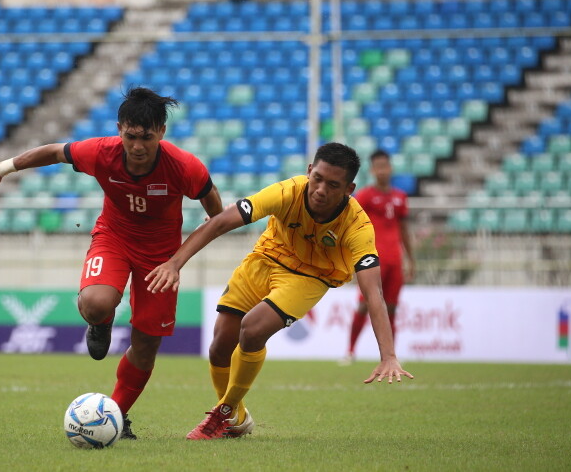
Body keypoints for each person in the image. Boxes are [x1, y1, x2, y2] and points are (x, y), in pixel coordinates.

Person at [0, 87, 224, 439]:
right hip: (115, 238)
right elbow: (52, 152)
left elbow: (218, 217)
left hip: (162, 258)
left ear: (162, 133)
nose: (137, 146)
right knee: (95, 304)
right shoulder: (101, 152)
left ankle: (116, 416)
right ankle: (101, 322)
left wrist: (177, 261)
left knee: (147, 343)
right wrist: (2, 168)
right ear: (119, 128)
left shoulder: (185, 167)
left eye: (147, 138)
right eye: (131, 136)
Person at [146, 142, 413, 440]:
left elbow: (374, 293)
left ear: (349, 188)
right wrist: (175, 263)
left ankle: (223, 413)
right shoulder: (287, 192)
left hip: (310, 277)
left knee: (252, 329)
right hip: (266, 258)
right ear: (310, 171)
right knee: (220, 345)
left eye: (333, 184)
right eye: (318, 179)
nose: (321, 189)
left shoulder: (358, 226)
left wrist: (388, 355)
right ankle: (237, 416)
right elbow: (222, 221)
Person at [341, 149, 415, 366]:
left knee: (391, 307)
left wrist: (411, 259)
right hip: (372, 261)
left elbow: (403, 230)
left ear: (390, 168)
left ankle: (390, 354)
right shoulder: (364, 196)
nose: (382, 171)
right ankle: (350, 350)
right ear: (373, 170)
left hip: (395, 260)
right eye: (378, 167)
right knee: (365, 305)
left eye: (385, 166)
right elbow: (351, 225)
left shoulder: (400, 197)